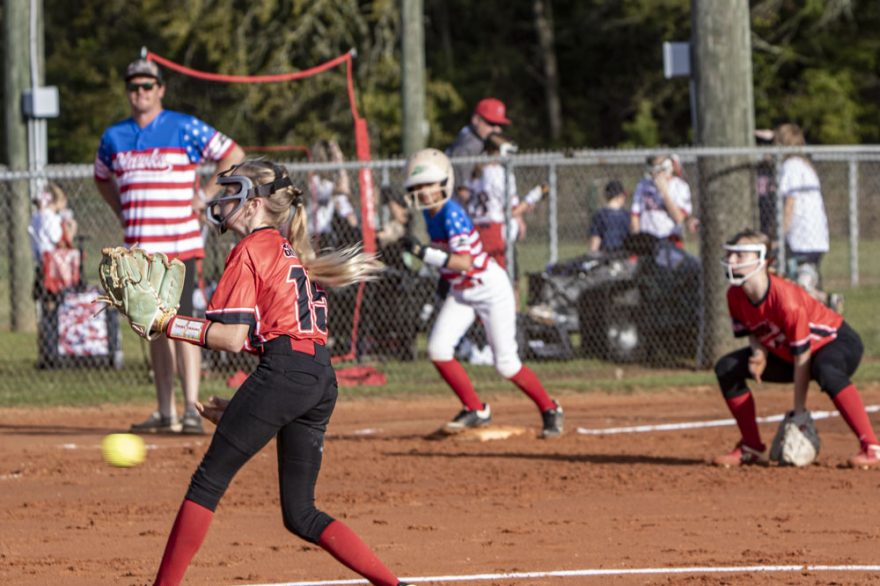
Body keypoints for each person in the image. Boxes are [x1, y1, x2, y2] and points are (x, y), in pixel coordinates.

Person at [149, 160, 409, 586]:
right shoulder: (287, 250)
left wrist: (168, 324)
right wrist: (245, 409)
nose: (222, 201)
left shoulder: (251, 248)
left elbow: (232, 339)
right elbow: (273, 342)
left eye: (232, 192)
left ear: (254, 204)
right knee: (300, 513)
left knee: (207, 482)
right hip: (318, 378)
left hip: (288, 374)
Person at [94, 58, 245, 435]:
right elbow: (101, 178)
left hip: (179, 245)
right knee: (152, 329)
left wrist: (203, 197)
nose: (140, 93)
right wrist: (123, 210)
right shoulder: (115, 137)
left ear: (160, 89)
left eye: (147, 86)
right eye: (134, 87)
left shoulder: (183, 127)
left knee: (182, 324)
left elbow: (232, 153)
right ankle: (165, 411)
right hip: (139, 250)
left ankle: (192, 409)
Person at [400, 148, 564, 438]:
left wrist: (425, 253)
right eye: (418, 188)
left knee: (506, 364)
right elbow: (450, 259)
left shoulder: (451, 213)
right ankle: (476, 409)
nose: (424, 193)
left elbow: (464, 261)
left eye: (428, 185)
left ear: (444, 183)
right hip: (462, 291)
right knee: (438, 349)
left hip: (488, 288)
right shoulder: (430, 213)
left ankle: (550, 408)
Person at [713, 229, 879, 469]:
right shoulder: (735, 296)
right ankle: (752, 447)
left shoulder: (786, 299)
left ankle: (872, 447)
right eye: (730, 255)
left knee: (826, 369)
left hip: (835, 342)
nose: (731, 261)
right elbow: (754, 330)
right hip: (788, 351)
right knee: (727, 367)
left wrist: (798, 413)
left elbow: (803, 358)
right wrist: (759, 353)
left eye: (739, 256)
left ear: (762, 261)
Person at [774, 123, 838, 309]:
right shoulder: (805, 165)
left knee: (798, 283)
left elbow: (790, 204)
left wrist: (780, 234)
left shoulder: (791, 166)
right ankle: (820, 305)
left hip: (802, 237)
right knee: (804, 276)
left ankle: (825, 300)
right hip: (817, 236)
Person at [466, 133, 544, 271]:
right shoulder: (499, 173)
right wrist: (533, 197)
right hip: (493, 231)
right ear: (496, 152)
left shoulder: (476, 172)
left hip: (475, 230)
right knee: (499, 277)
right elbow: (511, 212)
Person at [446, 97, 511, 204]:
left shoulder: (475, 137)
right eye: (491, 123)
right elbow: (463, 191)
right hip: (458, 207)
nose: (497, 129)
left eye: (499, 125)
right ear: (476, 120)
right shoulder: (470, 143)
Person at [630, 154, 692, 247]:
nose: (654, 175)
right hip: (647, 239)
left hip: (670, 239)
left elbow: (679, 218)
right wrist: (638, 239)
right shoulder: (643, 185)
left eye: (658, 171)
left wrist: (664, 193)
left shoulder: (680, 186)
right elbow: (635, 215)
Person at [309, 139, 359, 250]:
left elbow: (345, 197)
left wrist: (339, 158)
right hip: (317, 232)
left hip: (328, 232)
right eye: (332, 157)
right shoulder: (316, 180)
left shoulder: (329, 181)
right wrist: (340, 163)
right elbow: (345, 189)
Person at [588, 180, 630, 253]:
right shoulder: (627, 215)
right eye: (623, 196)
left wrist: (593, 254)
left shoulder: (600, 215)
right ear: (619, 196)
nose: (624, 198)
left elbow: (596, 238)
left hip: (605, 255)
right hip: (623, 255)